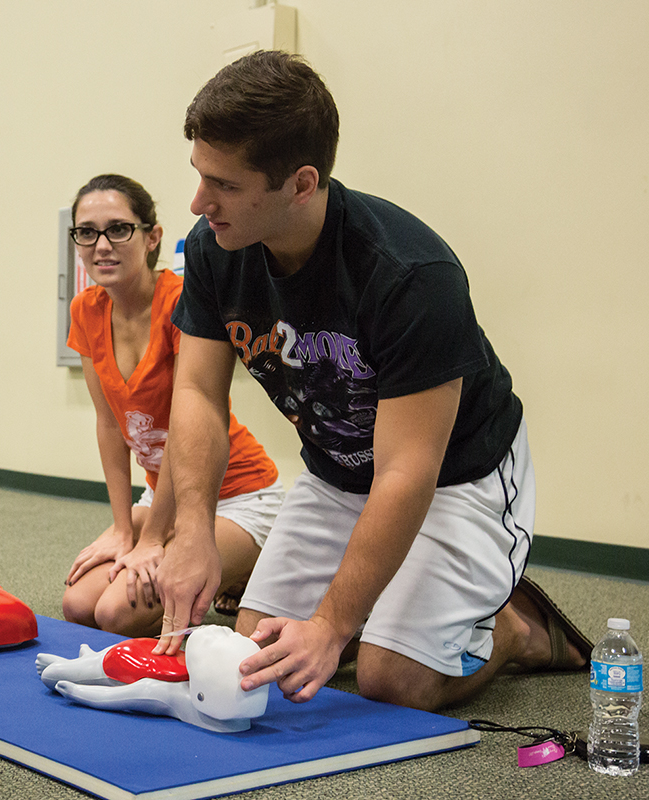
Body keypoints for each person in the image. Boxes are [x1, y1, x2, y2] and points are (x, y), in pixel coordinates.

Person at [154, 50, 591, 712]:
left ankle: (514, 627)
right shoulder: (218, 247)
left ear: (301, 184)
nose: (199, 201)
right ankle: (404, 612)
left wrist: (332, 625)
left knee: (393, 680)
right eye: (199, 175)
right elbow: (195, 395)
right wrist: (191, 527)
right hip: (339, 476)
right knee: (258, 645)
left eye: (226, 184)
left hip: (458, 479)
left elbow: (405, 473)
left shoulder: (409, 275)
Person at [60, 174, 283, 638]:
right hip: (163, 492)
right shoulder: (85, 309)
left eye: (118, 229)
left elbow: (188, 433)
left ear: (151, 237)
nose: (101, 245)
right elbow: (108, 425)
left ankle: (257, 560)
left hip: (236, 494)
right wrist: (125, 531)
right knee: (79, 604)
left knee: (115, 614)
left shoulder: (182, 302)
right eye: (87, 232)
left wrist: (156, 537)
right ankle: (216, 565)